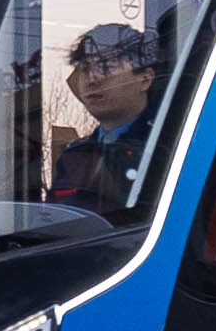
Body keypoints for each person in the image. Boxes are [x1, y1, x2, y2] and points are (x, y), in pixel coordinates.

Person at [47, 23, 164, 222]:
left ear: (145, 78)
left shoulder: (170, 146)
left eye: (107, 66)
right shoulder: (74, 156)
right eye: (84, 68)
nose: (92, 79)